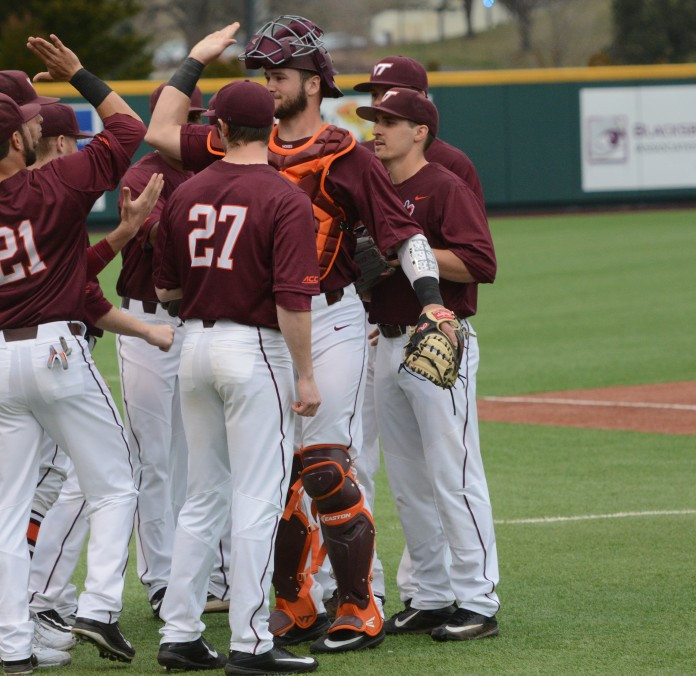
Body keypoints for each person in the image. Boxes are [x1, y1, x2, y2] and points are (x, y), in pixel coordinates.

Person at [147, 17, 455, 654]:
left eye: (279, 74)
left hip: (331, 316)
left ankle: (359, 601)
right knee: (278, 475)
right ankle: (292, 599)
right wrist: (195, 60)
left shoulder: (347, 154)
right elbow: (155, 131)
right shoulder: (236, 144)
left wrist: (432, 304)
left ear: (313, 83)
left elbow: (406, 237)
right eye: (264, 75)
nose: (269, 84)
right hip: (259, 331)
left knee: (325, 466)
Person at [0, 34, 153, 674]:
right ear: (17, 142)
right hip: (58, 353)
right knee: (116, 478)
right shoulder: (59, 183)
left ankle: (13, 646)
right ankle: (98, 606)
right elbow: (130, 128)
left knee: (7, 510)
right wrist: (80, 74)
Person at [152, 79, 321, 675]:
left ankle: (180, 633)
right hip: (256, 350)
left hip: (193, 344)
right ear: (270, 130)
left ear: (218, 130)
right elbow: (292, 301)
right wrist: (305, 374)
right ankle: (251, 643)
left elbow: (165, 288)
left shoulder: (186, 191)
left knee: (202, 495)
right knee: (256, 497)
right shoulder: (285, 197)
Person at [356, 88, 501, 640]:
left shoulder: (444, 187)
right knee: (409, 480)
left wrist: (405, 251)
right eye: (374, 119)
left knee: (454, 473)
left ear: (419, 130)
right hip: (383, 343)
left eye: (388, 120)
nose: (377, 128)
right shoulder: (370, 188)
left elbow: (480, 263)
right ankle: (434, 595)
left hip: (438, 339)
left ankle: (479, 599)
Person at [115, 82, 233, 619]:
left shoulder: (219, 169)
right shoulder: (144, 174)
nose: (198, 129)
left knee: (201, 455)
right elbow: (174, 243)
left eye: (203, 119)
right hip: (144, 319)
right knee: (153, 457)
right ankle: (161, 577)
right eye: (190, 118)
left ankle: (205, 573)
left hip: (198, 324)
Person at [353, 55, 484, 204]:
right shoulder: (361, 158)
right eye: (374, 94)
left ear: (421, 97)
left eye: (389, 92)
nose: (377, 101)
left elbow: (469, 225)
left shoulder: (453, 162)